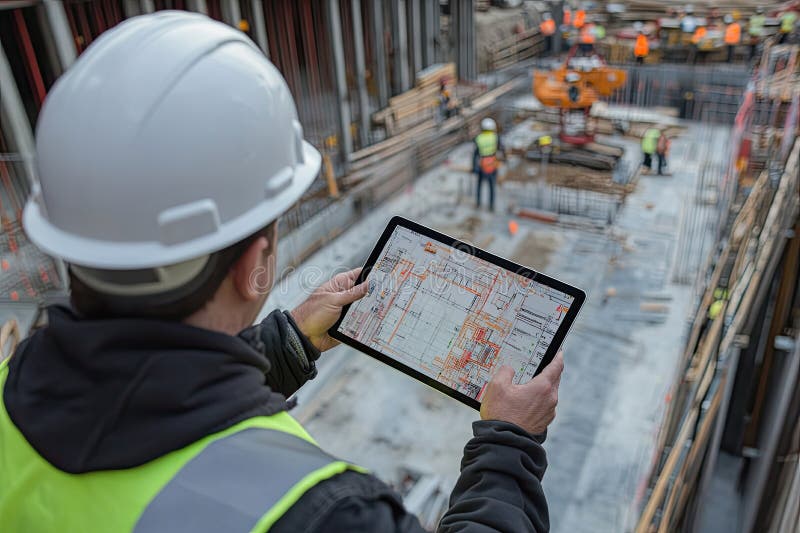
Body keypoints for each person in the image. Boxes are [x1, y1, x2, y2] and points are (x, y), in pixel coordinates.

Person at [0, 12, 563, 532]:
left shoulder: (12, 387)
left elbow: (143, 403)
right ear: (254, 266)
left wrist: (288, 340)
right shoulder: (321, 512)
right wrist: (509, 445)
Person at [474, 118, 503, 211]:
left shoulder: (478, 138)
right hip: (492, 164)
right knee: (492, 186)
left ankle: (478, 203)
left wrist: (474, 167)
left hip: (482, 164)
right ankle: (491, 206)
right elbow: (501, 149)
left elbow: (475, 154)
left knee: (479, 185)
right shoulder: (496, 137)